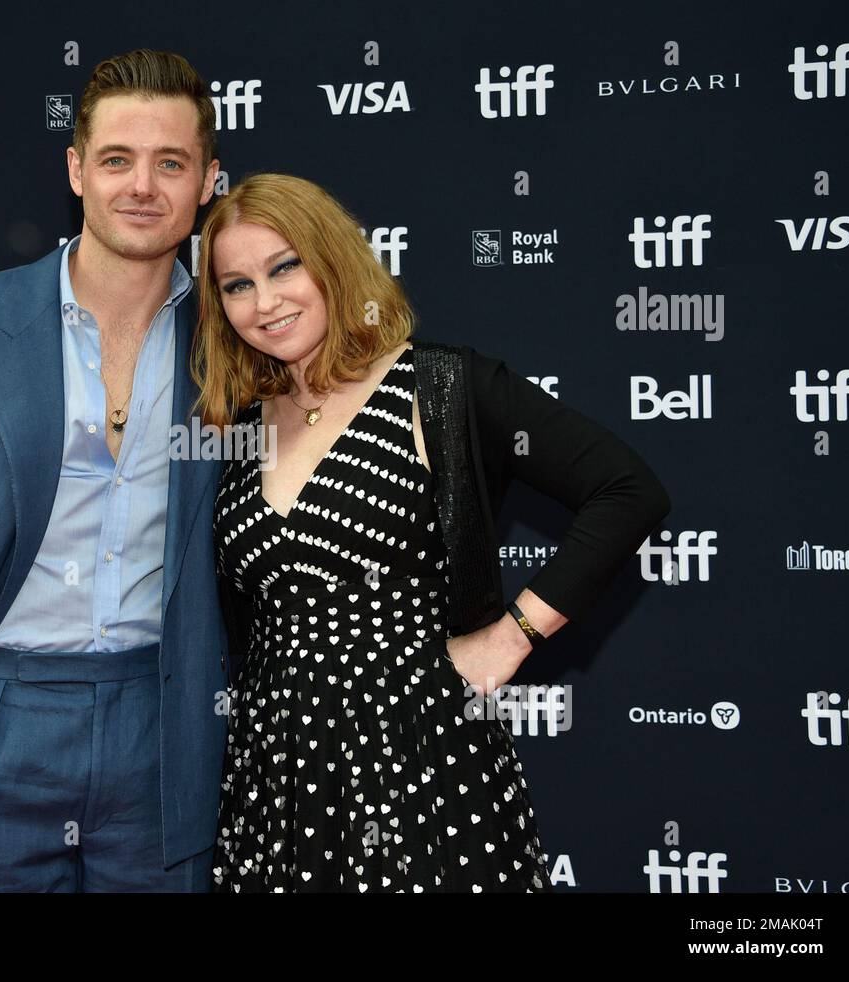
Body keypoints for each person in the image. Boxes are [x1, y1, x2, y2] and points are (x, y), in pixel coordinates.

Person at [192, 173, 672, 892]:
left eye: (284, 266)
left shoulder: (440, 386)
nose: (265, 302)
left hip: (423, 755)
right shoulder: (238, 425)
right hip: (276, 773)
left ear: (332, 261)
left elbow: (628, 490)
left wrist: (511, 636)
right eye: (237, 285)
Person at [0, 49, 230, 891]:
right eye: (117, 160)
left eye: (171, 162)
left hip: (163, 727)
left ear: (208, 180)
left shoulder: (242, 343)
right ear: (76, 170)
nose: (142, 186)